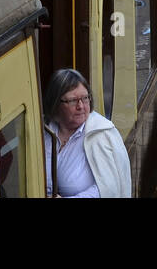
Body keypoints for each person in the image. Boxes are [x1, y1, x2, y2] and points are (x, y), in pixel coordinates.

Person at [42, 69, 132, 198]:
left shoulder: (102, 134)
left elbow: (108, 189)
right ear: (56, 103)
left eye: (85, 98)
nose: (81, 106)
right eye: (73, 100)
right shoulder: (43, 130)